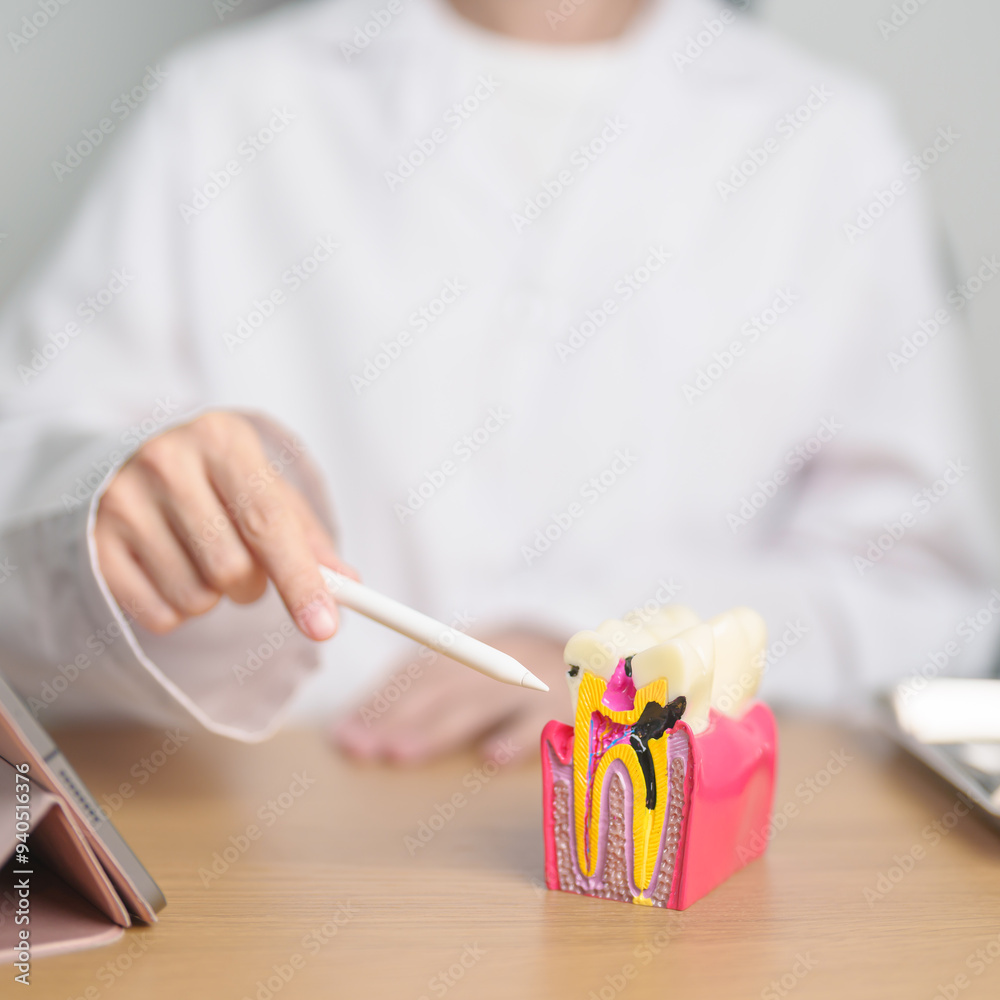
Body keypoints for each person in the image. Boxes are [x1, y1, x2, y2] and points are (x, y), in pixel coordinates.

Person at [0, 0, 996, 761]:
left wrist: (623, 655)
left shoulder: (826, 141)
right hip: (279, 842)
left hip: (671, 860)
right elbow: (28, 492)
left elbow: (922, 595)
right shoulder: (221, 109)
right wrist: (106, 510)